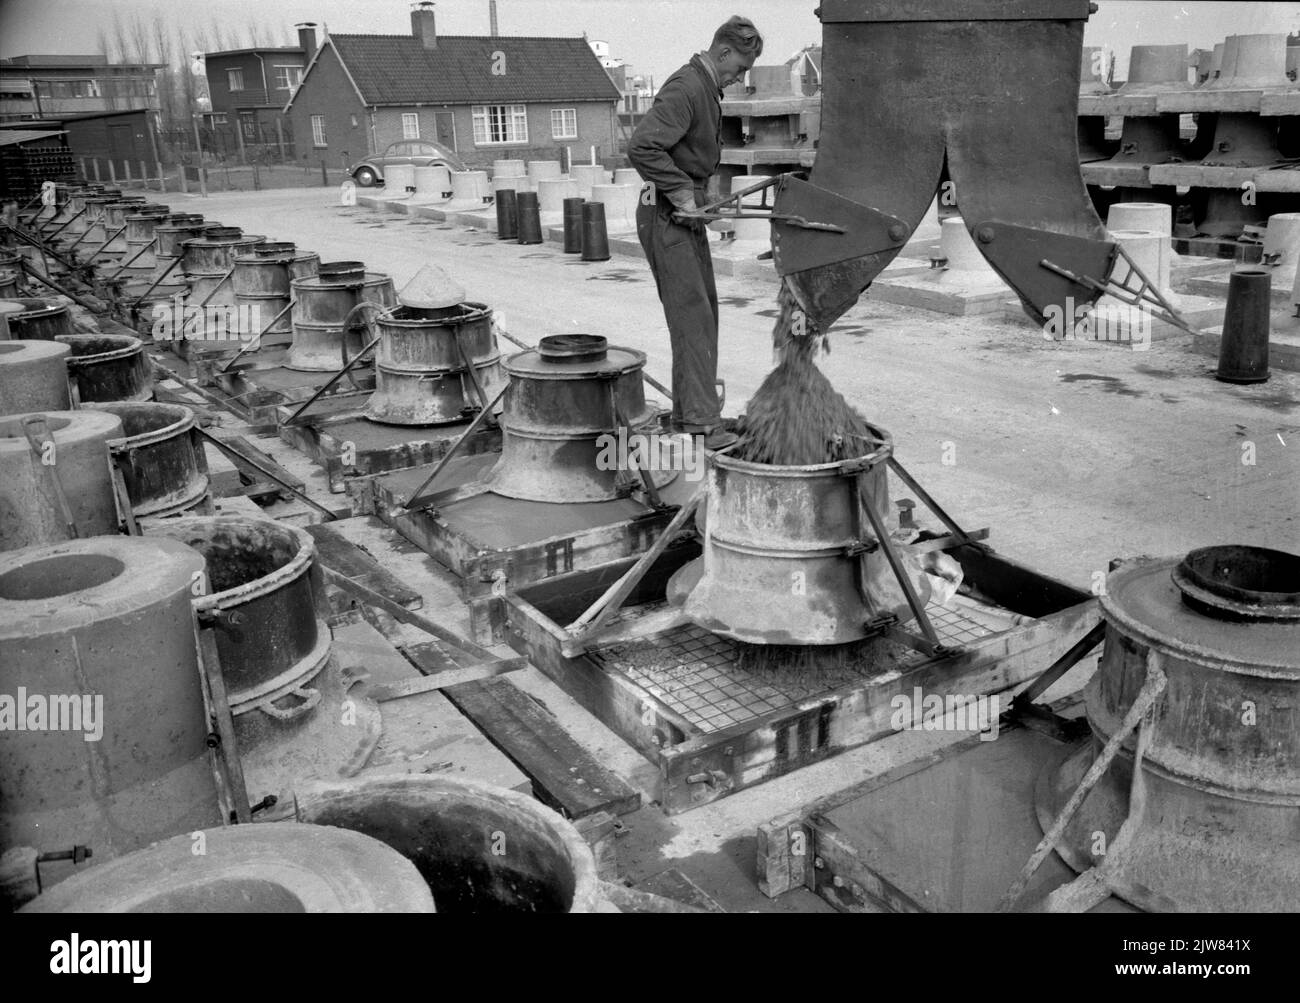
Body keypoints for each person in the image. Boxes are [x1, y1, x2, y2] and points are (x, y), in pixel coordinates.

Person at [629, 16, 763, 451]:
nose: (740, 78)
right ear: (723, 53)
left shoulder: (707, 89)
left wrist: (698, 197)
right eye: (739, 68)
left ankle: (694, 417)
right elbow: (642, 146)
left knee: (702, 315)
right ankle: (703, 427)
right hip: (663, 213)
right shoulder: (687, 87)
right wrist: (684, 193)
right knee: (692, 317)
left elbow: (686, 154)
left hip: (679, 213)